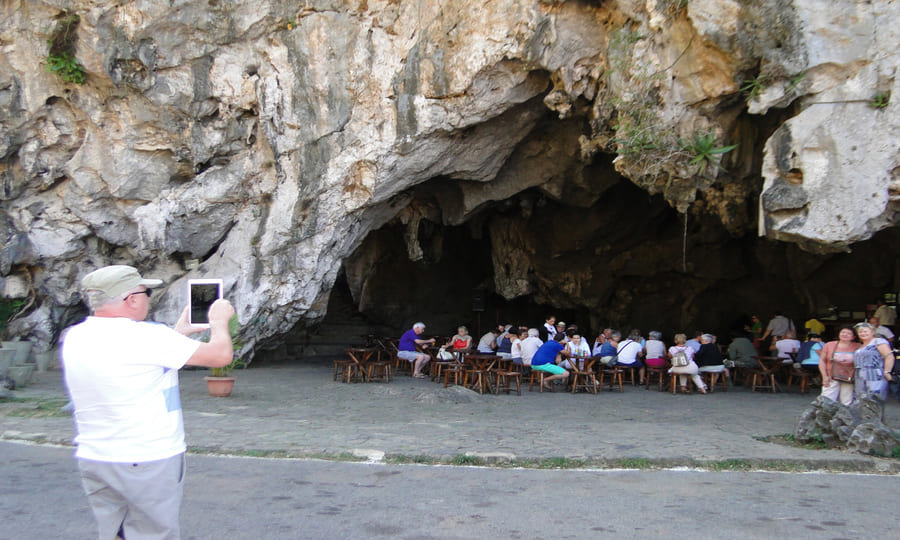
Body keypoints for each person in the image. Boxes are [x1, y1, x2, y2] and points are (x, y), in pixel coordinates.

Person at [62, 265, 235, 540]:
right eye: (147, 292)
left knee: (115, 532)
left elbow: (140, 363)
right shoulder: (147, 337)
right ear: (131, 299)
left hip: (96, 457)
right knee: (152, 534)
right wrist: (218, 321)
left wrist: (180, 332)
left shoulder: (75, 336)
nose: (148, 298)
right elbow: (220, 355)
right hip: (146, 459)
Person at [819, 326, 860, 405]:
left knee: (847, 401)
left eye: (848, 333)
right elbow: (822, 361)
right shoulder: (829, 345)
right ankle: (826, 417)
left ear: (853, 337)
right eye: (843, 332)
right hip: (831, 377)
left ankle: (844, 417)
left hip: (849, 378)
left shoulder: (858, 346)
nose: (845, 334)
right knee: (826, 400)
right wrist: (824, 376)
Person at [853, 322, 894, 400]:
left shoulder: (878, 341)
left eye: (865, 331)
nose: (863, 333)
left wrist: (887, 372)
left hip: (874, 374)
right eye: (860, 332)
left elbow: (889, 356)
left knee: (874, 399)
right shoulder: (861, 346)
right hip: (860, 375)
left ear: (872, 332)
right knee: (862, 399)